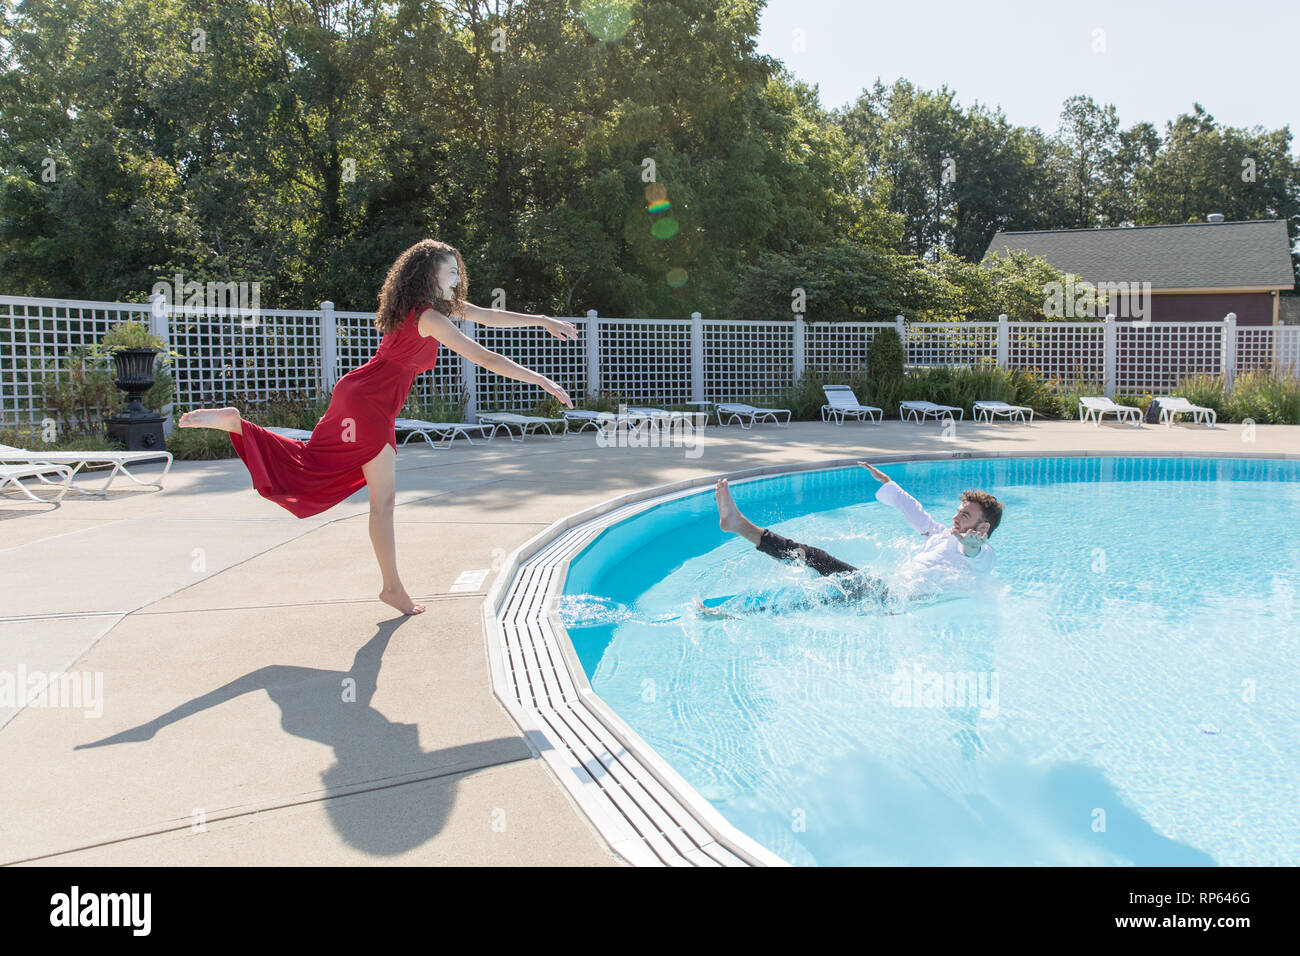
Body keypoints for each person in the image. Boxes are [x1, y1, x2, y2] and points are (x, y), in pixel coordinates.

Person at [178, 239, 576, 616]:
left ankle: (240, 427)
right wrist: (541, 380)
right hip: (368, 406)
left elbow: (487, 316)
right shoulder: (431, 317)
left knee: (319, 464)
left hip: (357, 395)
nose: (456, 277)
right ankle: (392, 587)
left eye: (458, 271)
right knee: (379, 501)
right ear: (428, 273)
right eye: (450, 271)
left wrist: (541, 320)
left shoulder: (416, 308)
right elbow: (484, 358)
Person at [702, 462, 1003, 616]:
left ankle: (736, 607)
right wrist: (890, 485)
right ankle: (739, 527)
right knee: (813, 565)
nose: (955, 517)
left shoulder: (982, 554)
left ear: (983, 527)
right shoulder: (943, 535)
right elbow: (918, 515)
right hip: (884, 591)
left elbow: (976, 556)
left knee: (813, 591)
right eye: (958, 511)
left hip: (889, 602)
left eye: (964, 515)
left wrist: (973, 547)